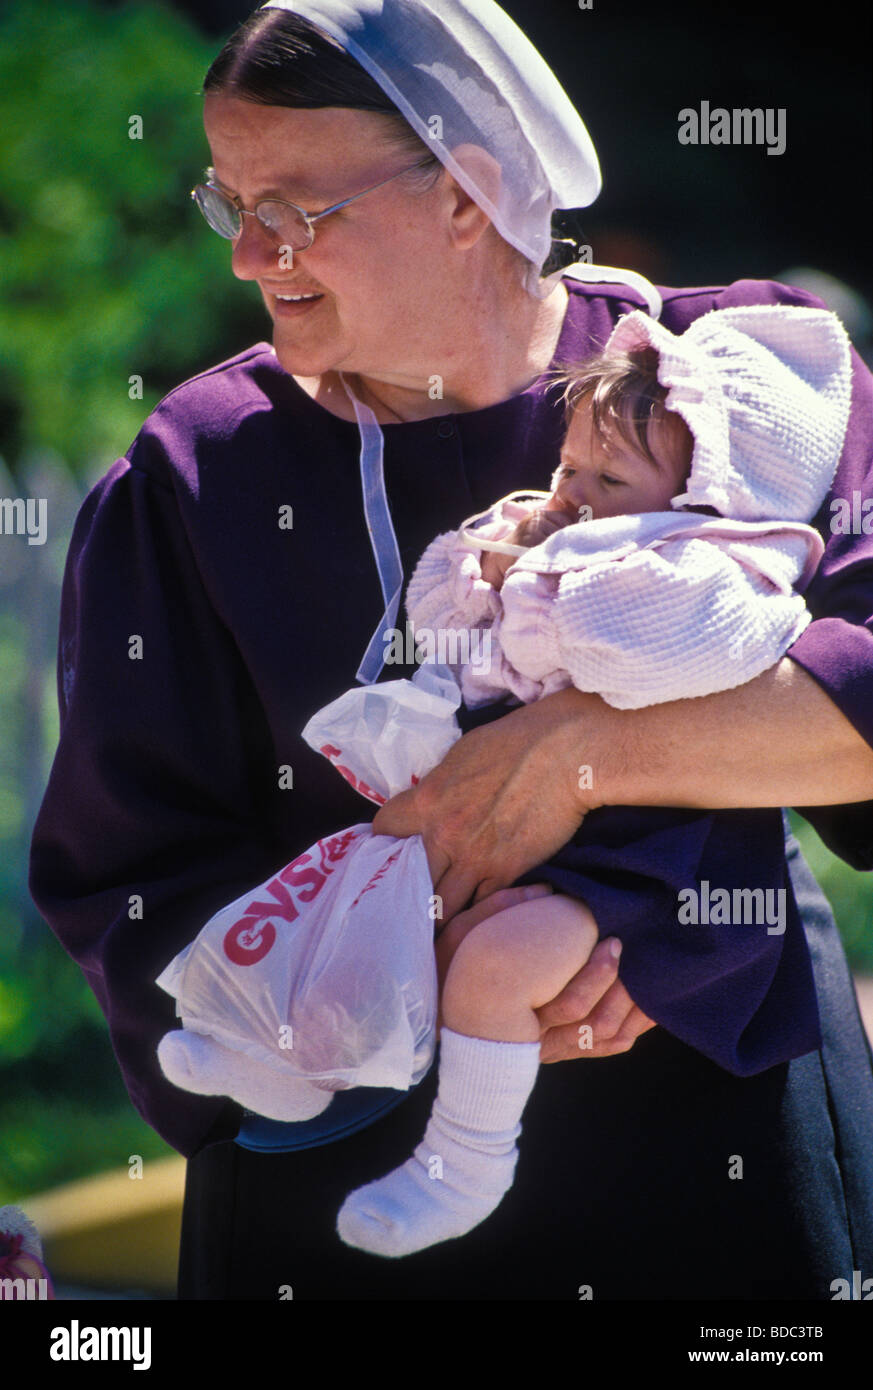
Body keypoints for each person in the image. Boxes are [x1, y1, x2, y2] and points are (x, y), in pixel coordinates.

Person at [28, 0, 873, 1300]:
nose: (250, 253)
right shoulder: (195, 470)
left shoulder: (727, 382)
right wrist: (409, 985)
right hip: (344, 1203)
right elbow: (125, 883)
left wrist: (582, 759)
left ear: (473, 194)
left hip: (726, 1160)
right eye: (228, 199)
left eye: (297, 209)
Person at [154, 304, 851, 1260]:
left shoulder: (721, 571)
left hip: (649, 855)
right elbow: (442, 623)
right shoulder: (577, 535)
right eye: (568, 468)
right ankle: (270, 1051)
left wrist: (552, 580)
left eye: (609, 480)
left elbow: (651, 656)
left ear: (703, 499)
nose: (573, 494)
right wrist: (485, 568)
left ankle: (464, 1165)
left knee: (490, 963)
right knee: (369, 876)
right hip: (555, 830)